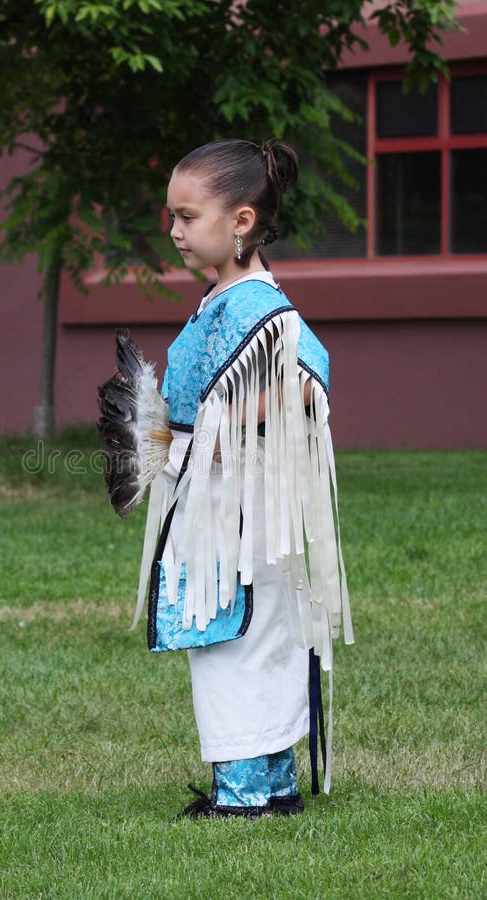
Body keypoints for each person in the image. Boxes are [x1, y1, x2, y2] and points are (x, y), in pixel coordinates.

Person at [133, 139, 353, 819]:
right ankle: (272, 783)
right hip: (222, 502)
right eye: (170, 215)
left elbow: (305, 374)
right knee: (252, 634)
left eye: (187, 216)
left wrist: (229, 421)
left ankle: (244, 793)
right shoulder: (228, 297)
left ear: (241, 221)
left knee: (226, 638)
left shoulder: (254, 302)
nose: (173, 230)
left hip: (235, 511)